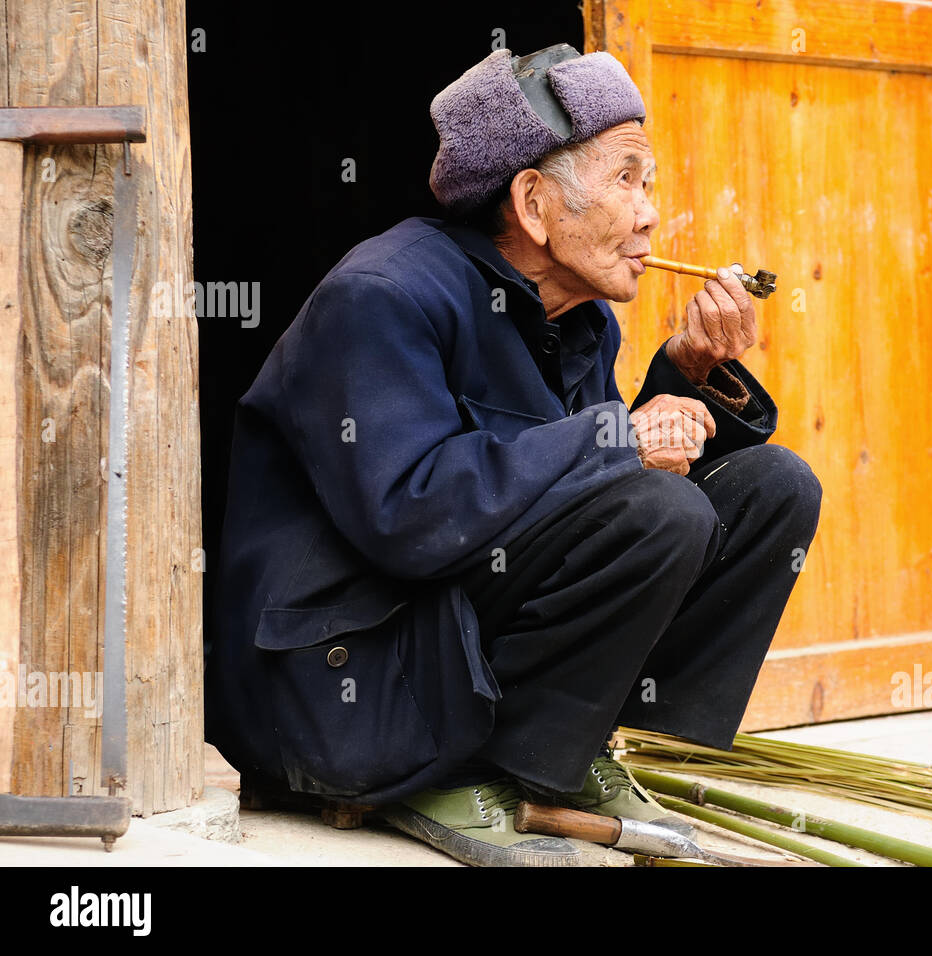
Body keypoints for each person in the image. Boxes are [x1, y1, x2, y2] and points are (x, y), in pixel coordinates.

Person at [204, 42, 822, 867]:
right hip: (352, 678)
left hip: (452, 631)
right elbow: (410, 514)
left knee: (771, 488)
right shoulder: (383, 296)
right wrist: (617, 441)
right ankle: (473, 769)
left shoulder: (579, 317)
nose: (649, 214)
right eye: (627, 179)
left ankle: (555, 756)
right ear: (533, 202)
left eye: (651, 185)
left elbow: (586, 499)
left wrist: (687, 375)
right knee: (660, 509)